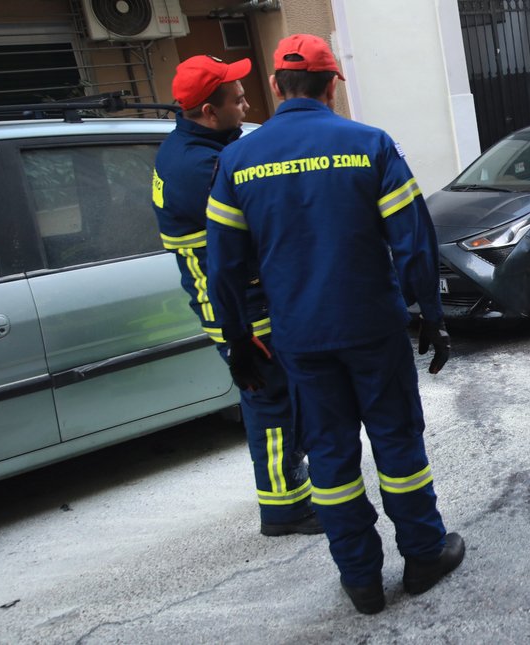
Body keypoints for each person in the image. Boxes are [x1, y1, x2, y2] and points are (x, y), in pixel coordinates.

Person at [204, 34, 463, 615]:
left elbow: (221, 264)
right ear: (331, 87)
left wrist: (237, 341)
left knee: (330, 460)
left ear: (274, 86)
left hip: (300, 338)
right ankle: (424, 555)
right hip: (373, 328)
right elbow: (414, 244)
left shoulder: (237, 160)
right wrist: (433, 315)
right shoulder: (369, 145)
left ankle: (362, 582)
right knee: (397, 442)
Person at [151, 55, 321, 538]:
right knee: (269, 402)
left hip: (246, 299)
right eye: (238, 99)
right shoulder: (195, 168)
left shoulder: (203, 145)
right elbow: (264, 223)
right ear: (208, 111)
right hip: (239, 308)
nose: (248, 105)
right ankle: (285, 508)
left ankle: (295, 482)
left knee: (285, 396)